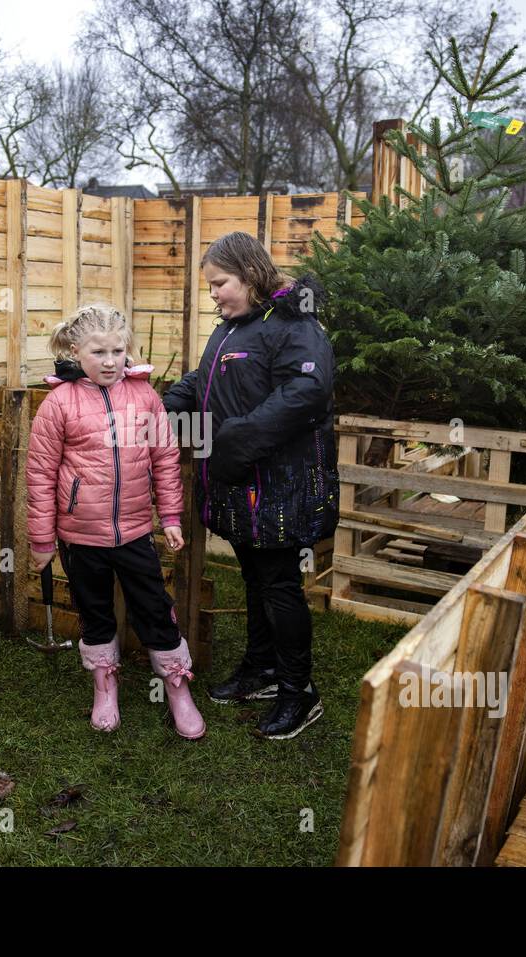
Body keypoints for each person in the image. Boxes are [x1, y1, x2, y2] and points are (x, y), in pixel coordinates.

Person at [162, 231, 338, 740]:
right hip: (239, 483)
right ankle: (261, 669)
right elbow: (204, 380)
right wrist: (173, 402)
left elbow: (308, 390)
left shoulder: (293, 325)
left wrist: (238, 437)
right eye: (210, 286)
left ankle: (299, 692)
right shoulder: (231, 328)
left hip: (279, 487)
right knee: (255, 579)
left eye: (220, 283)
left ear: (250, 274)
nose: (213, 294)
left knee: (280, 587)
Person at [26, 303, 206, 740]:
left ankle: (177, 687)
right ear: (75, 350)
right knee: (95, 611)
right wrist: (41, 539)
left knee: (154, 609)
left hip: (135, 533)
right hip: (79, 536)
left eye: (117, 351)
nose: (110, 362)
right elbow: (40, 473)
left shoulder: (144, 396)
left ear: (128, 350)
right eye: (98, 352)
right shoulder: (58, 403)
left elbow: (164, 459)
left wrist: (170, 516)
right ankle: (104, 684)